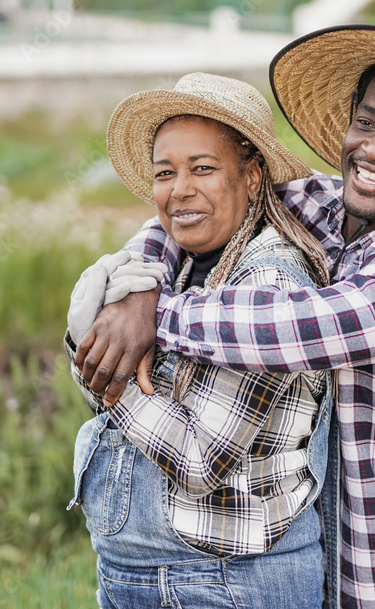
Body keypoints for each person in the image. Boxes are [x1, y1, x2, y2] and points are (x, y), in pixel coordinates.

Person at [72, 23, 375, 609]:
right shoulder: (321, 200)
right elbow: (190, 212)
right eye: (367, 123)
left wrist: (157, 316)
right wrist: (138, 290)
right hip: (311, 551)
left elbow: (292, 331)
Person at [65, 72, 336, 608]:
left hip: (224, 581)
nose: (179, 190)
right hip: (146, 571)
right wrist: (107, 353)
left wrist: (88, 358)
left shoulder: (267, 284)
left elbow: (197, 459)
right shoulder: (182, 263)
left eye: (204, 169)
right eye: (165, 173)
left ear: (253, 176)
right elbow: (139, 402)